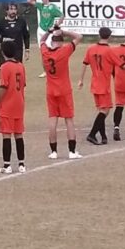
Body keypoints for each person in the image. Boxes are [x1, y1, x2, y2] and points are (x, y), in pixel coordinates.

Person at [78, 28, 125, 145]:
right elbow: (123, 65)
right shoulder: (109, 51)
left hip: (95, 84)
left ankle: (104, 137)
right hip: (104, 85)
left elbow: (84, 63)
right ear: (109, 36)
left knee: (102, 110)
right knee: (105, 111)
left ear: (99, 35)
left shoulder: (91, 48)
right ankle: (92, 134)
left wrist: (81, 80)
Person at [40, 27, 83, 160]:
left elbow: (42, 40)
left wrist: (49, 31)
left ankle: (53, 151)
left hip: (50, 90)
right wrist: (63, 31)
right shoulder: (64, 51)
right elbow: (79, 37)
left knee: (53, 119)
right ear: (61, 42)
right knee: (68, 119)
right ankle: (72, 151)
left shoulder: (45, 52)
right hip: (64, 90)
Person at [0, 43, 27, 174]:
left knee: (6, 135)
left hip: (7, 105)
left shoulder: (4, 67)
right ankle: (21, 164)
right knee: (18, 134)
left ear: (3, 53)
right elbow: (23, 84)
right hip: (19, 104)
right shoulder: (21, 66)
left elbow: (3, 87)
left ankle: (7, 165)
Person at [27, 0, 63, 78]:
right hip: (40, 30)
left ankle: (54, 68)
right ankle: (45, 71)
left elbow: (62, 16)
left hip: (49, 32)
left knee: (51, 50)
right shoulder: (41, 6)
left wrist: (56, 25)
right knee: (43, 51)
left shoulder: (53, 7)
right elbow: (29, 0)